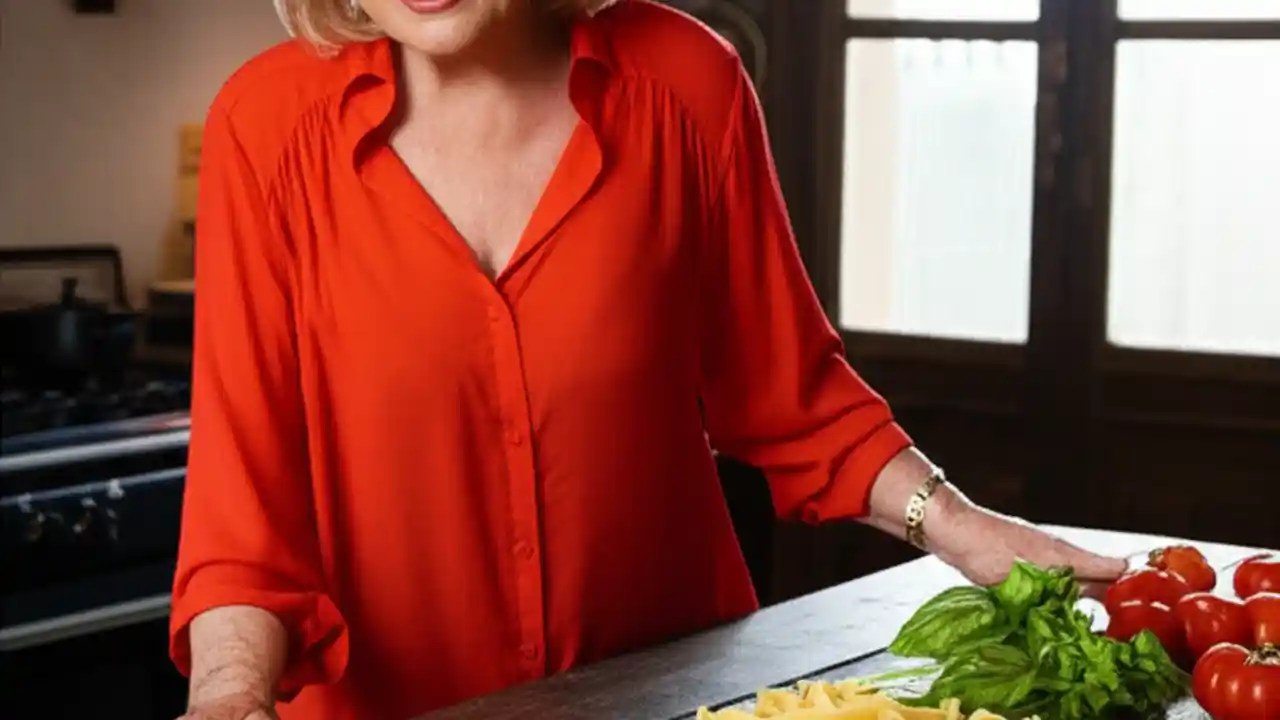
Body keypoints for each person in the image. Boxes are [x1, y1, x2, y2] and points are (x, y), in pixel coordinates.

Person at [172, 0, 1128, 718]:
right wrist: (227, 694)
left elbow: (793, 396)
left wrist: (963, 529)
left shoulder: (684, 83)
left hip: (673, 697)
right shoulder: (265, 128)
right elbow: (243, 508)